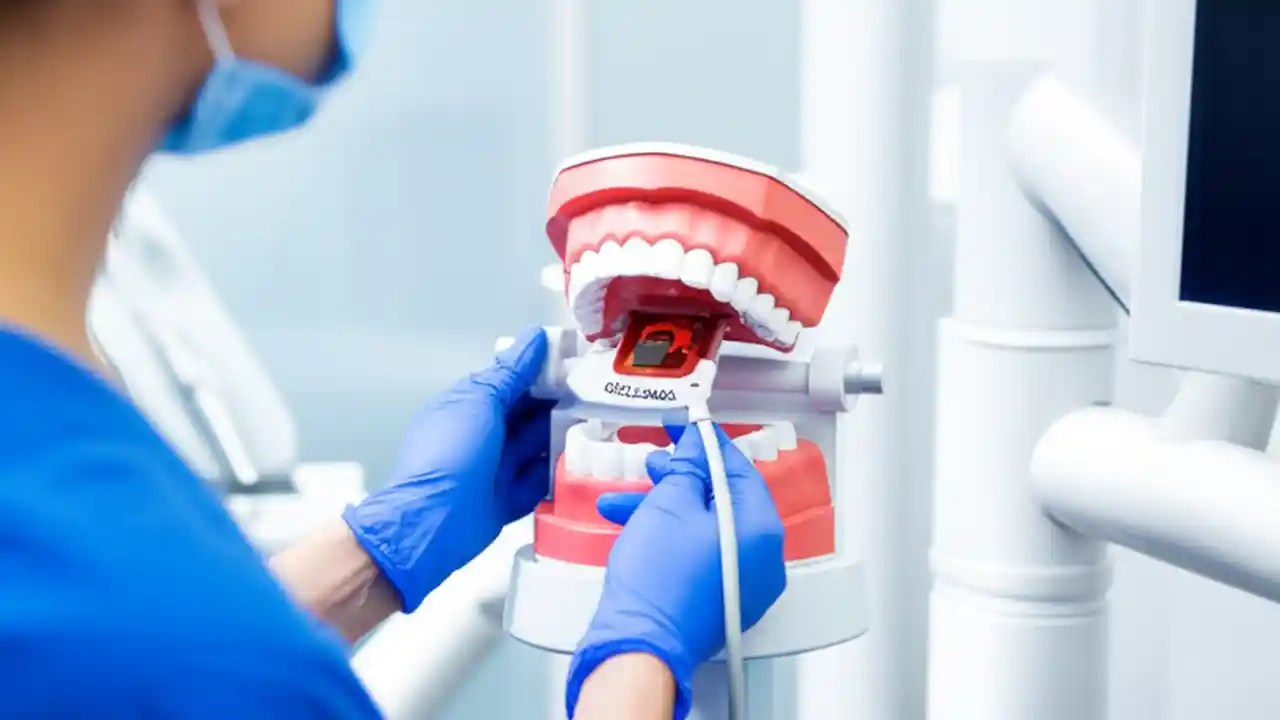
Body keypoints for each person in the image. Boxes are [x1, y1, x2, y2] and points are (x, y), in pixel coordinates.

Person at [0, 1, 787, 718]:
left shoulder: (66, 524)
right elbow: (182, 674)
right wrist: (639, 661)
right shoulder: (201, 652)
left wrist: (374, 554)